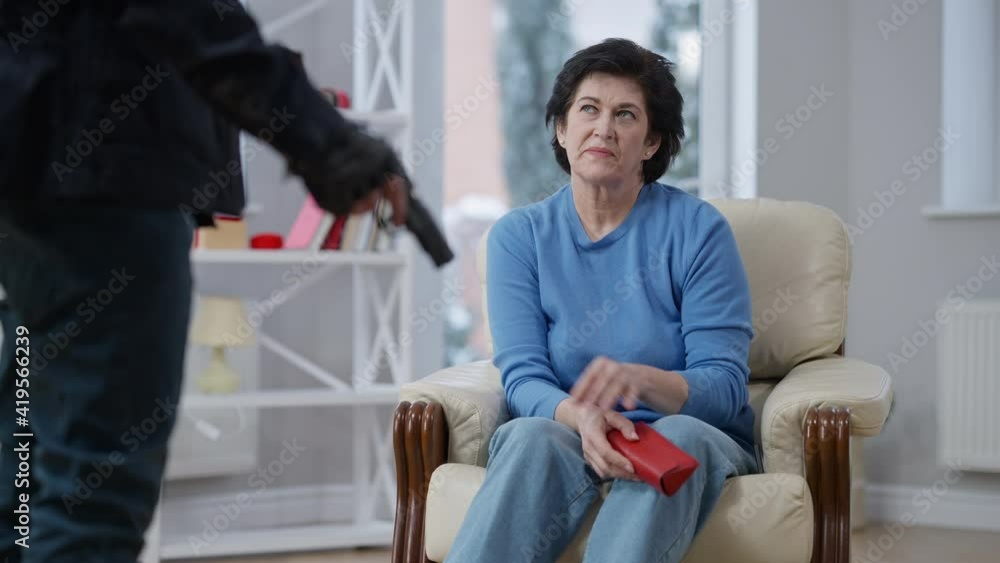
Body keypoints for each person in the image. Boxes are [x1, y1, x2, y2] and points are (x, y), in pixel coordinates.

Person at [0, 2, 410, 562]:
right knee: (90, 493)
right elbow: (188, 17)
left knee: (21, 460)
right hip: (102, 174)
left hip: (32, 165)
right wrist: (330, 145)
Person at [445, 38, 760, 563]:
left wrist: (642, 382)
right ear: (562, 130)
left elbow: (726, 388)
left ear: (652, 142)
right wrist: (580, 417)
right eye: (588, 109)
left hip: (686, 436)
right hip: (570, 429)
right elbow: (523, 378)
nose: (604, 128)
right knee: (528, 437)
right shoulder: (518, 238)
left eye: (626, 115)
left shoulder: (698, 232)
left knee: (677, 434)